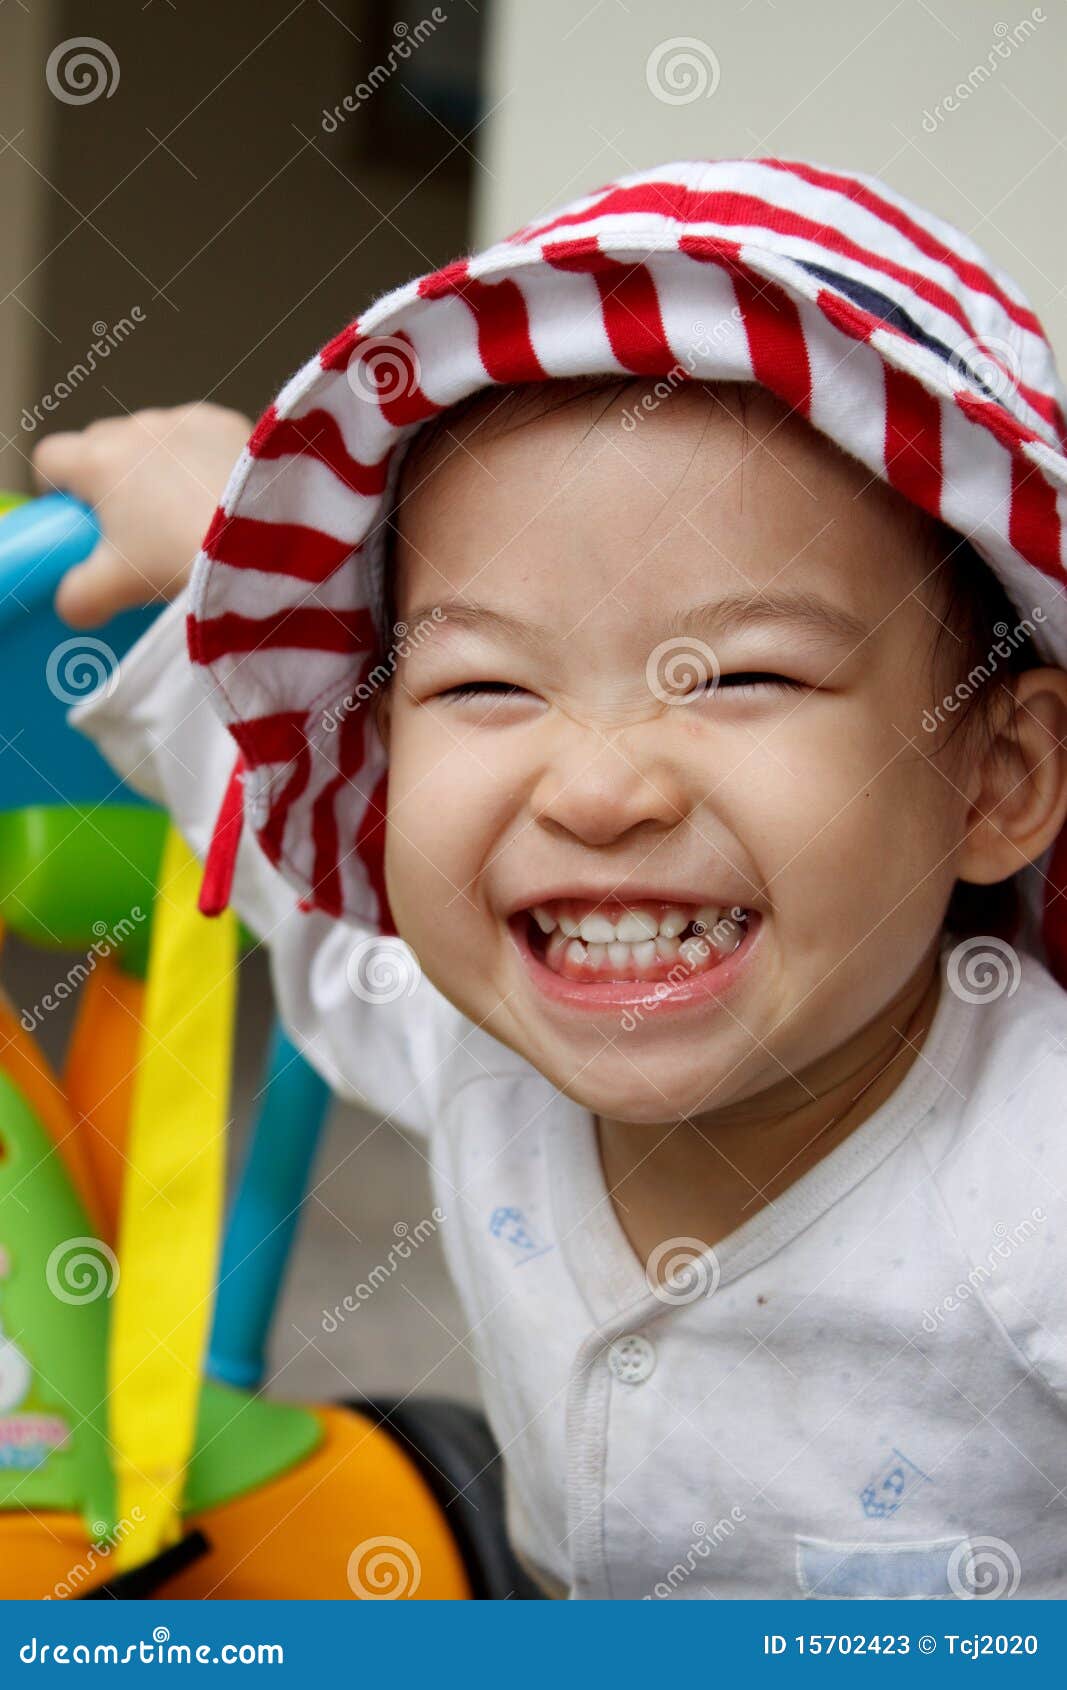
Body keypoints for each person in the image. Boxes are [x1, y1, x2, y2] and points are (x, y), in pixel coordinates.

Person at [37, 158, 1067, 1600]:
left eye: (745, 674)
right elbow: (297, 878)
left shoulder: (1036, 1185)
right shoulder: (482, 1047)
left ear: (1001, 778)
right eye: (484, 683)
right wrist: (213, 536)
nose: (596, 786)